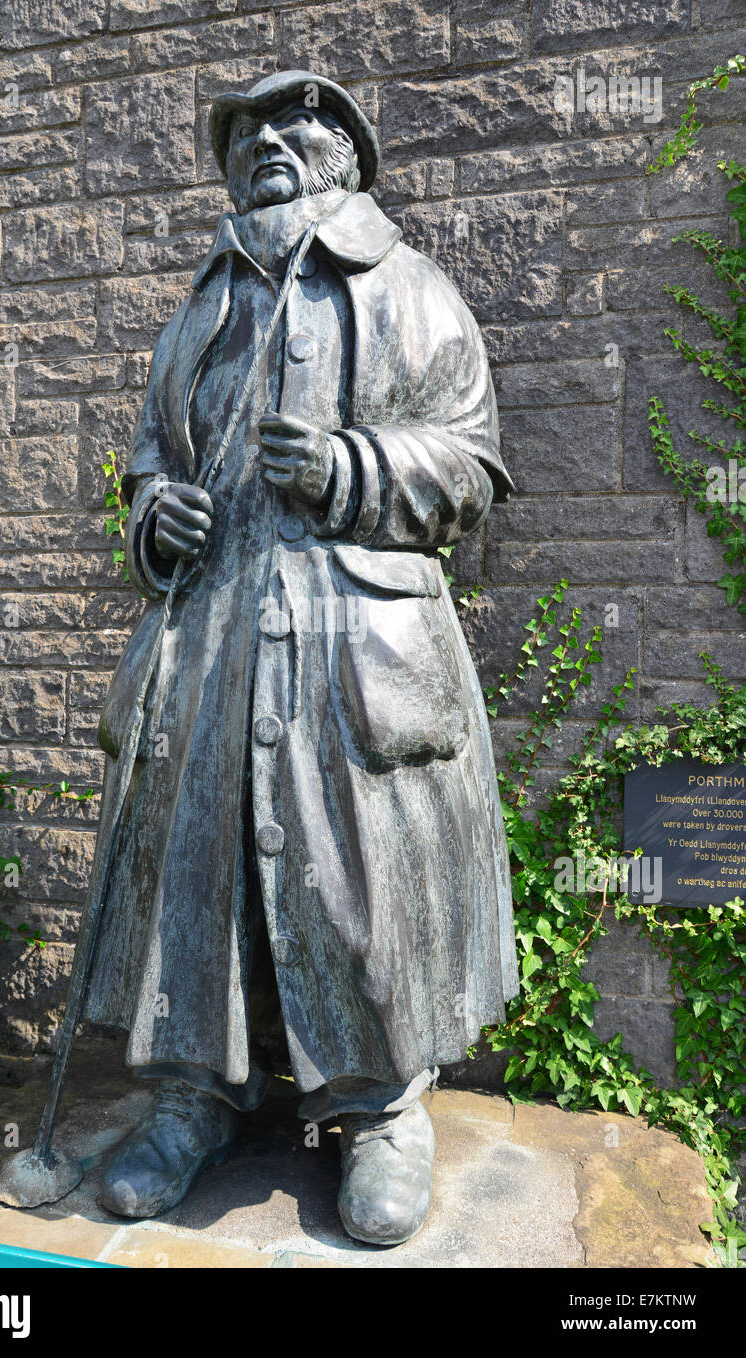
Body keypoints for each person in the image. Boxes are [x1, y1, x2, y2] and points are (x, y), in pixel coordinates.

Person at [85, 70, 518, 1246]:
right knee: (199, 880)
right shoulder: (200, 313)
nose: (270, 142)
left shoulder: (411, 292)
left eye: (298, 124)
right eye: (246, 134)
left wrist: (351, 470)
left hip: (353, 655)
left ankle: (381, 1111)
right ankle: (190, 1099)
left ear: (349, 156)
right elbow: (145, 462)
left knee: (357, 883)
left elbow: (472, 467)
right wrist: (153, 513)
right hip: (212, 650)